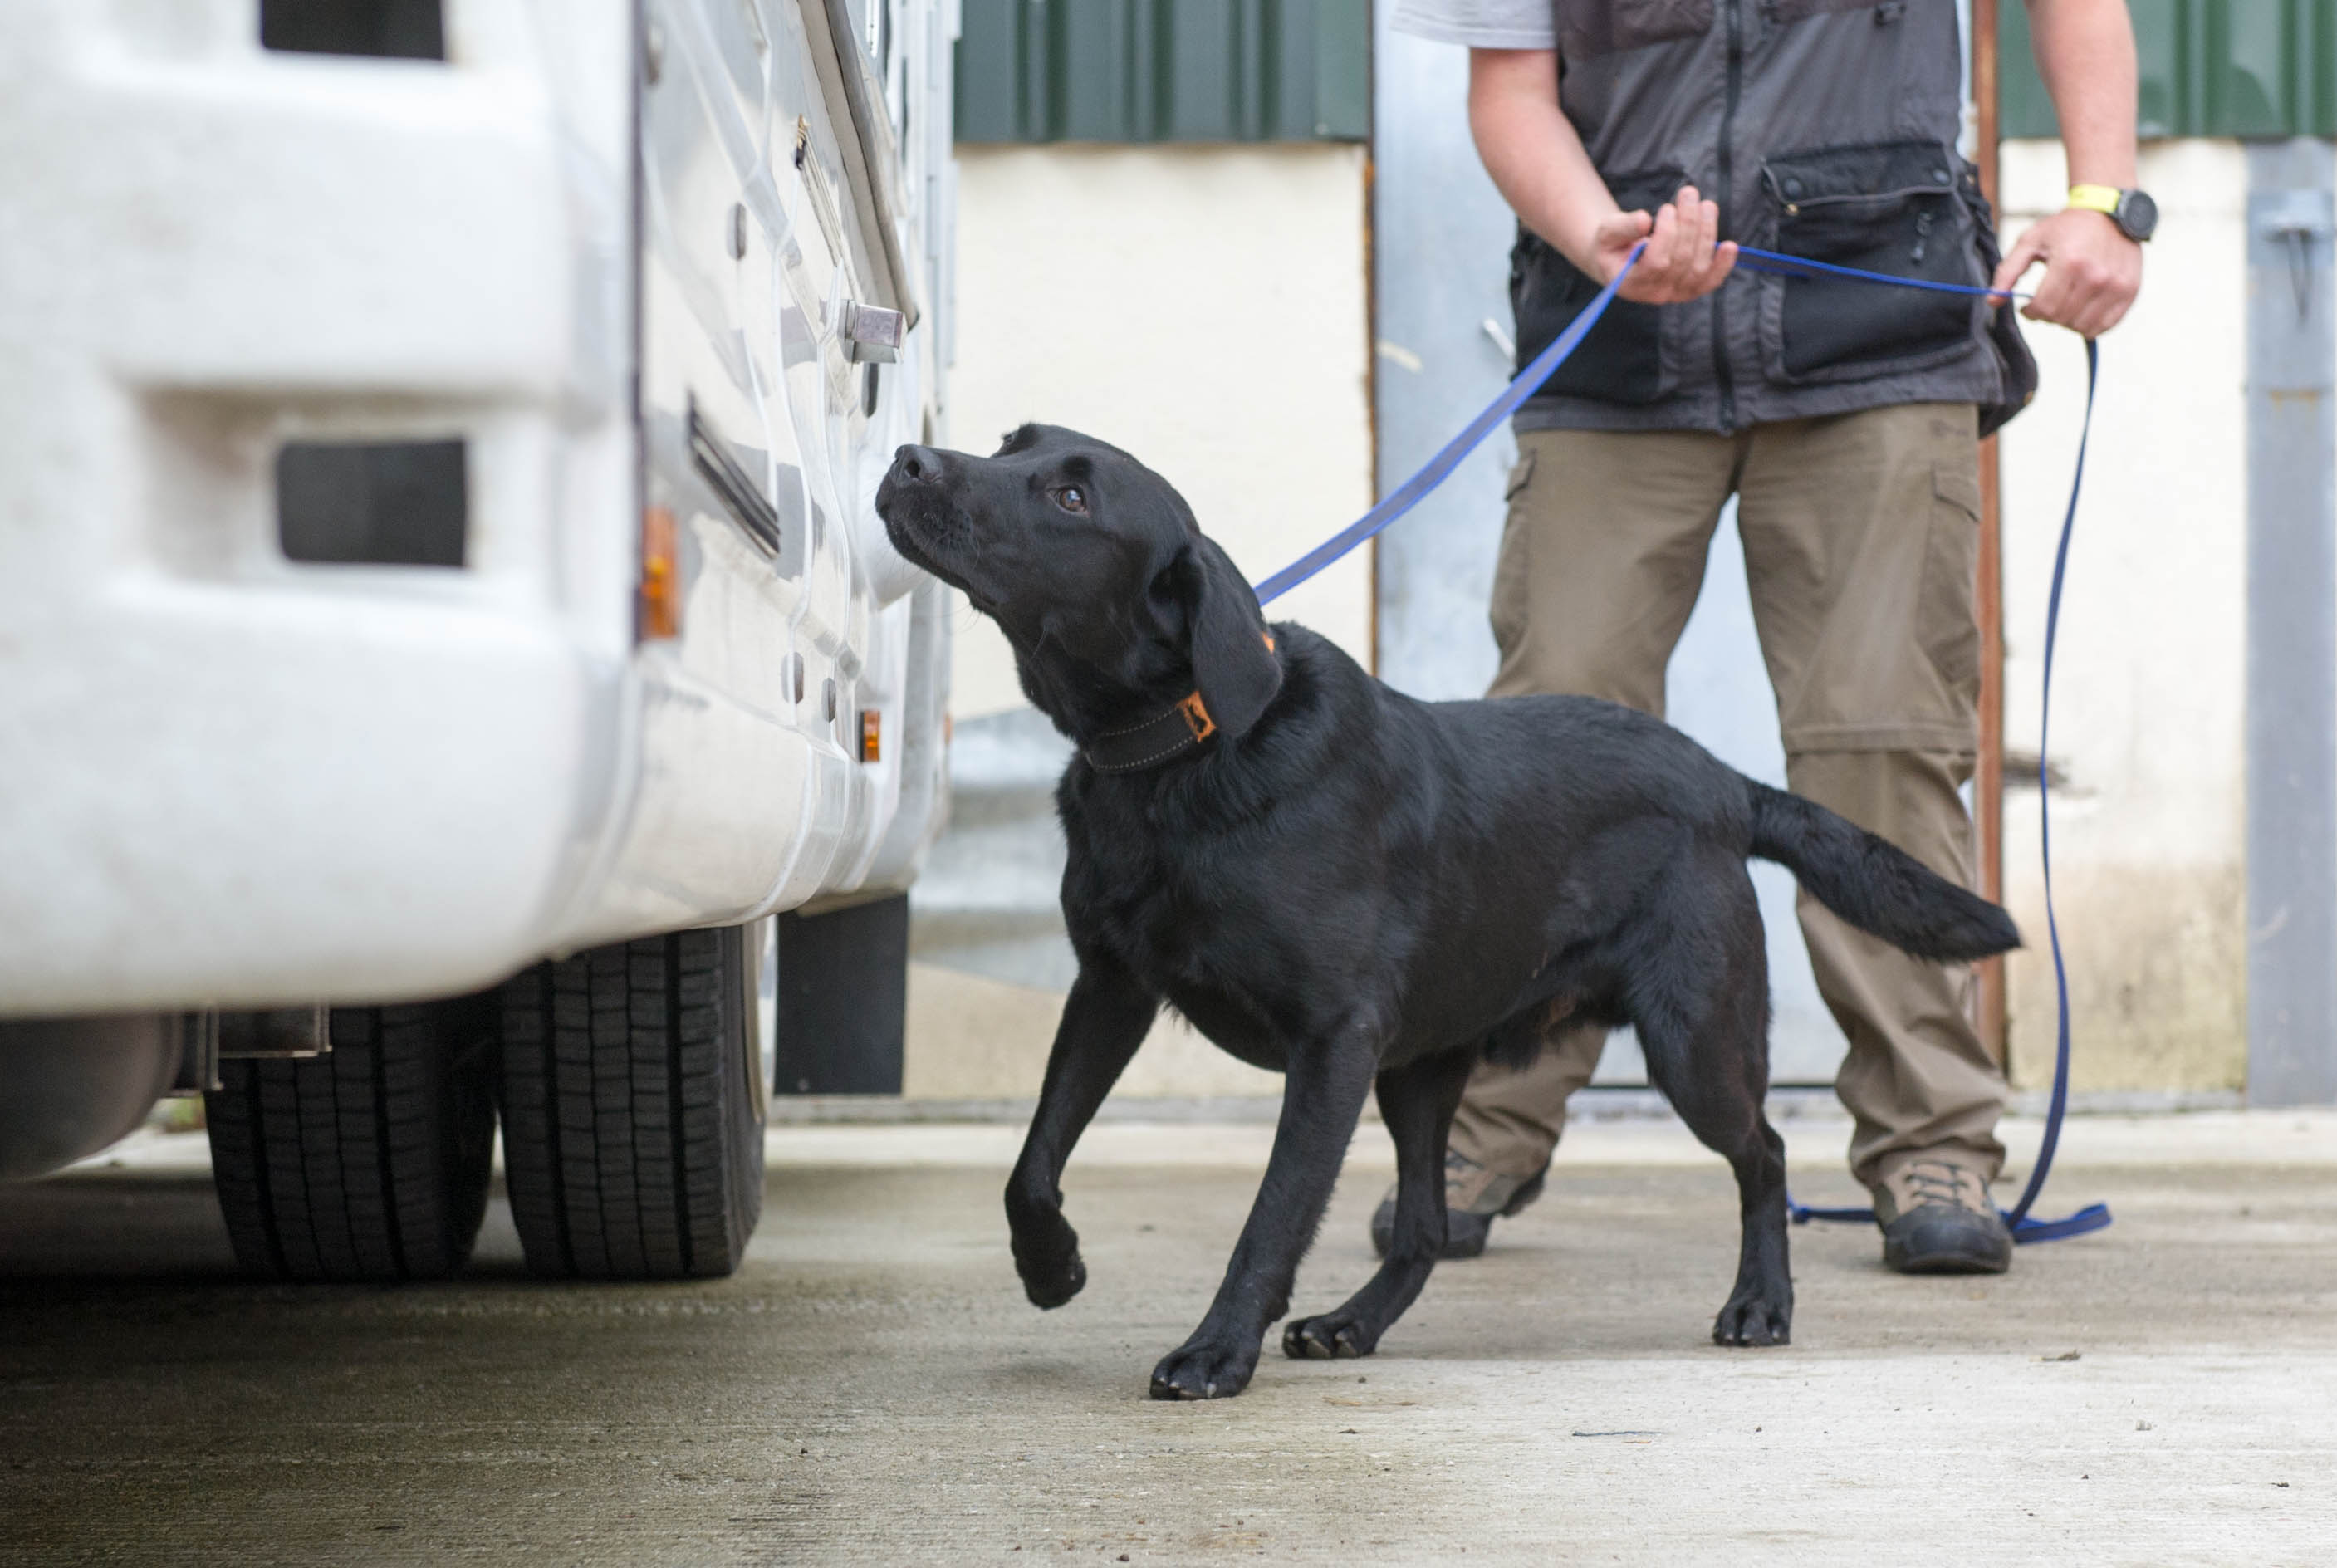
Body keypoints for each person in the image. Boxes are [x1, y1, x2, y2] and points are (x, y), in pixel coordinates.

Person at [1374, 0, 2149, 1274]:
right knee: (1545, 743)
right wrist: (1593, 233)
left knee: (1876, 741)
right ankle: (1487, 1122)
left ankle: (1928, 1144)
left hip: (1880, 345)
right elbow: (1510, 91)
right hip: (1618, 348)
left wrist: (2102, 199)